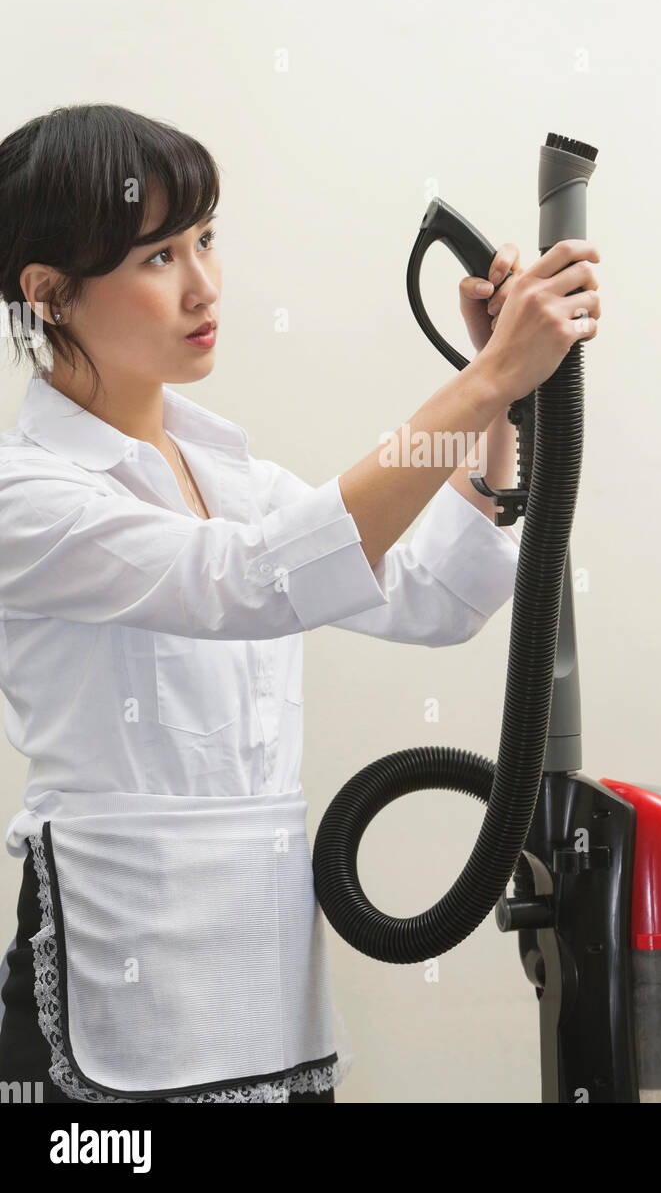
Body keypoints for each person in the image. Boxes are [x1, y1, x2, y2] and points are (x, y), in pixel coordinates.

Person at [0, 103, 601, 1104]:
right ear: (49, 294)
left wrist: (493, 400)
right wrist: (491, 373)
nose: (203, 284)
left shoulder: (232, 478)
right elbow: (252, 581)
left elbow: (434, 599)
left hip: (264, 982)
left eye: (206, 239)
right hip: (119, 982)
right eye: (156, 257)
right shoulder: (28, 494)